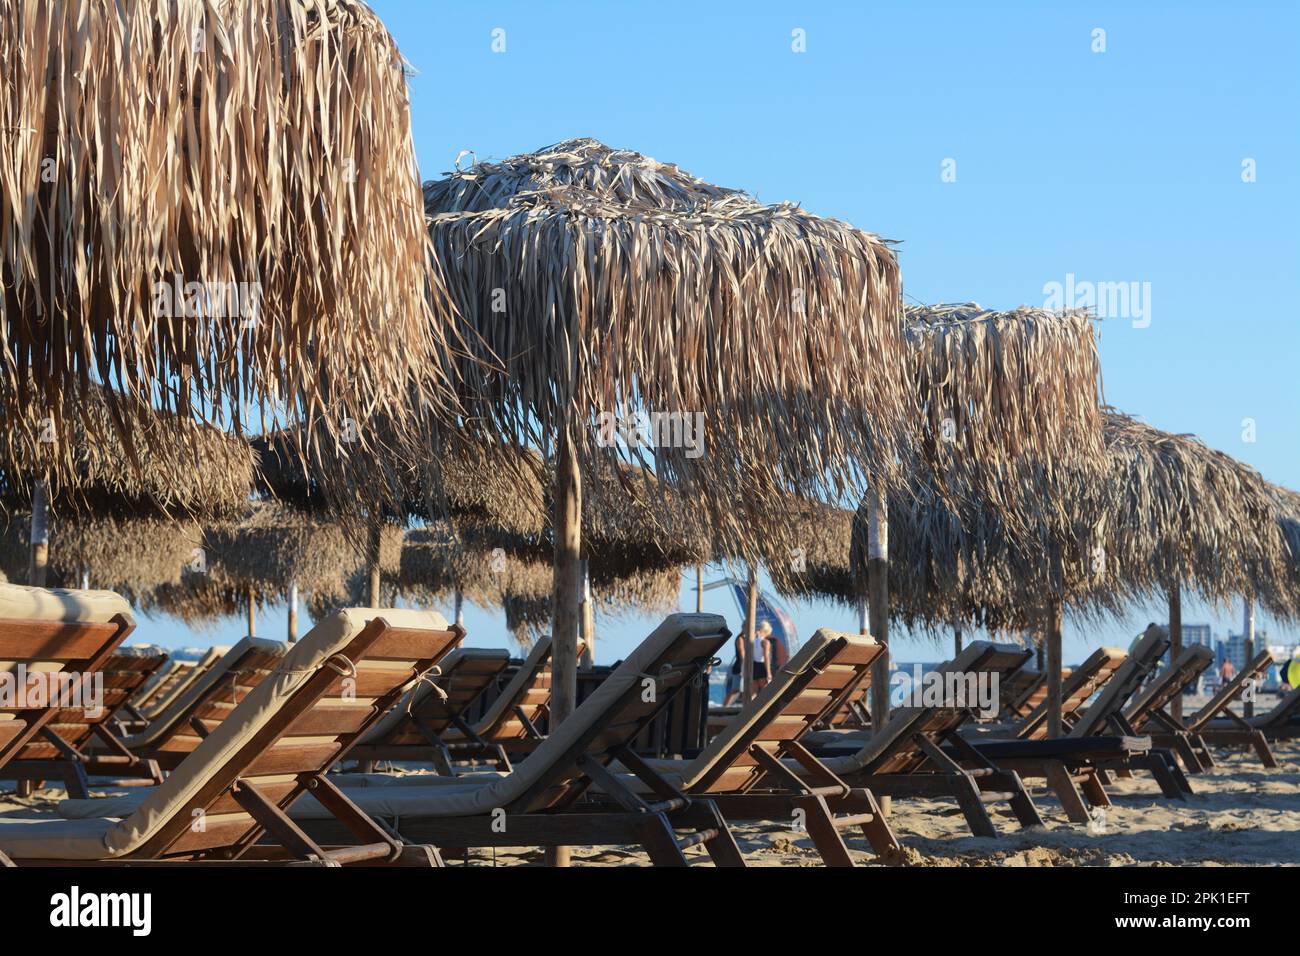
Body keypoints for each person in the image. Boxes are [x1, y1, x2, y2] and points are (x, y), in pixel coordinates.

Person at [724, 620, 776, 704]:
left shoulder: (751, 640)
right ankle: (763, 709)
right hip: (760, 667)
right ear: (766, 631)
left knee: (753, 693)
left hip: (753, 666)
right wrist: (769, 673)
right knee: (765, 692)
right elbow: (766, 657)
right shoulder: (765, 642)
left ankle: (749, 709)